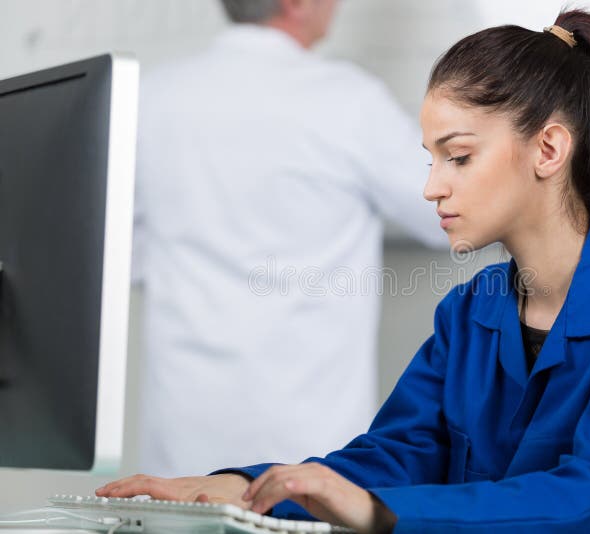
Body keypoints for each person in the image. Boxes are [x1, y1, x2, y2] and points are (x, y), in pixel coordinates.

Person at [103, 9, 590, 532]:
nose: (431, 187)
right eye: (429, 159)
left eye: (458, 157)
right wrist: (247, 487)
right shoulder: (472, 309)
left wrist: (379, 512)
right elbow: (400, 453)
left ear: (548, 148)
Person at [132, 0, 445, 477]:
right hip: (306, 449)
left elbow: (125, 254)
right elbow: (443, 212)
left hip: (180, 440)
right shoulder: (347, 100)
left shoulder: (153, 97)